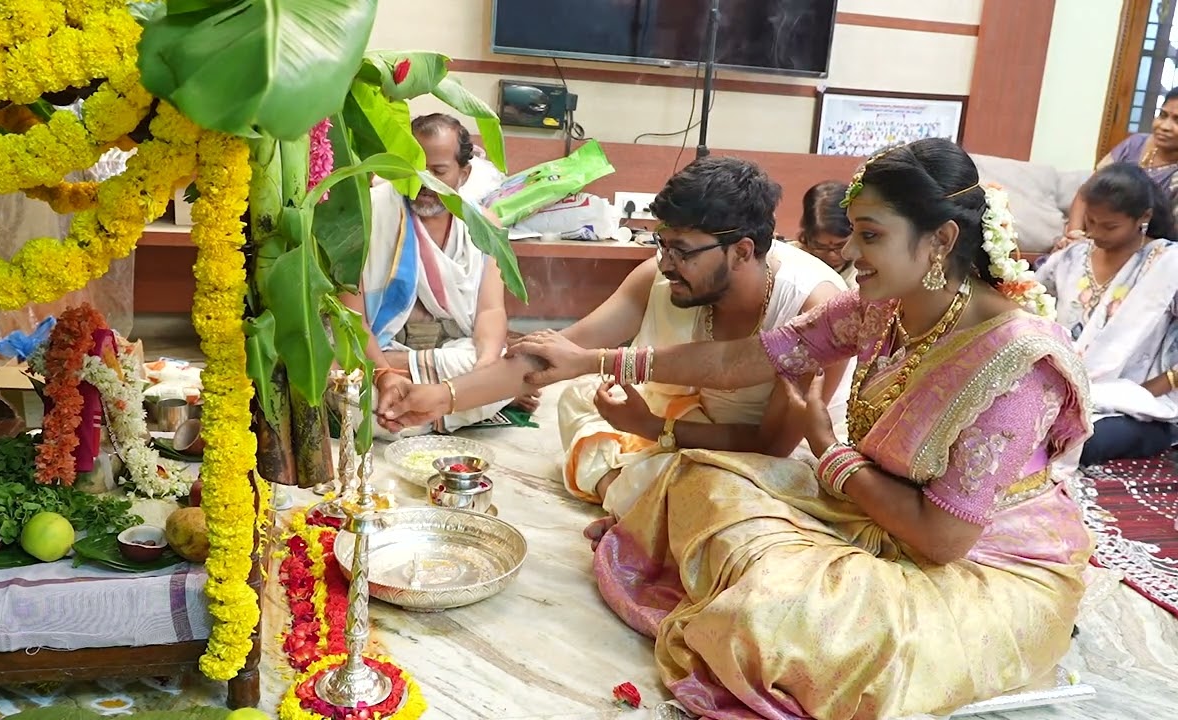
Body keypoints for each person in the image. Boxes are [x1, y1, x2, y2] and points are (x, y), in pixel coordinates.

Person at [383, 139, 1094, 719]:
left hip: (976, 567)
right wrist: (588, 361)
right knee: (696, 479)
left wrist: (830, 450)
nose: (850, 256)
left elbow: (941, 542)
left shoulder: (1014, 365)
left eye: (871, 237)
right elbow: (747, 357)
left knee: (775, 619)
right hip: (870, 506)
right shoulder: (882, 306)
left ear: (941, 240)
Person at [382, 155, 852, 518]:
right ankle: (637, 499)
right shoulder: (661, 278)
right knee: (582, 397)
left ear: (742, 250)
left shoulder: (814, 309)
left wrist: (650, 429)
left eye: (682, 251)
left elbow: (770, 448)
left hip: (765, 463)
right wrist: (441, 397)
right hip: (687, 420)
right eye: (661, 245)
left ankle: (637, 501)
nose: (665, 264)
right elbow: (553, 357)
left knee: (714, 496)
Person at [341, 113, 516, 434]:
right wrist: (384, 372)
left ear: (463, 174)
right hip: (376, 356)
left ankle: (419, 408)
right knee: (340, 379)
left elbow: (491, 310)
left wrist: (487, 368)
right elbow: (352, 320)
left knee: (499, 361)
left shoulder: (484, 225)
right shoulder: (366, 214)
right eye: (414, 168)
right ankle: (445, 410)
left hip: (451, 354)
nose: (423, 182)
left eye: (437, 172)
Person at [1037, 163, 1178, 465]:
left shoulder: (1169, 265)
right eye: (1090, 221)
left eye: (1110, 226)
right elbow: (1029, 299)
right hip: (1061, 388)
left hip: (1138, 403)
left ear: (1144, 218)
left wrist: (1143, 392)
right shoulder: (1073, 256)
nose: (1095, 234)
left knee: (1074, 441)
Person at [1059, 87, 1178, 249]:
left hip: (1141, 256)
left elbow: (1169, 238)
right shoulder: (1134, 145)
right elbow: (1086, 193)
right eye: (1163, 115)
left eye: (1177, 120)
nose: (1164, 126)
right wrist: (1074, 238)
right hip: (1087, 243)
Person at [790, 180, 858, 288]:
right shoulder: (788, 259)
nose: (832, 255)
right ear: (806, 238)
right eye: (820, 247)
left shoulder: (870, 265)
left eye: (840, 246)